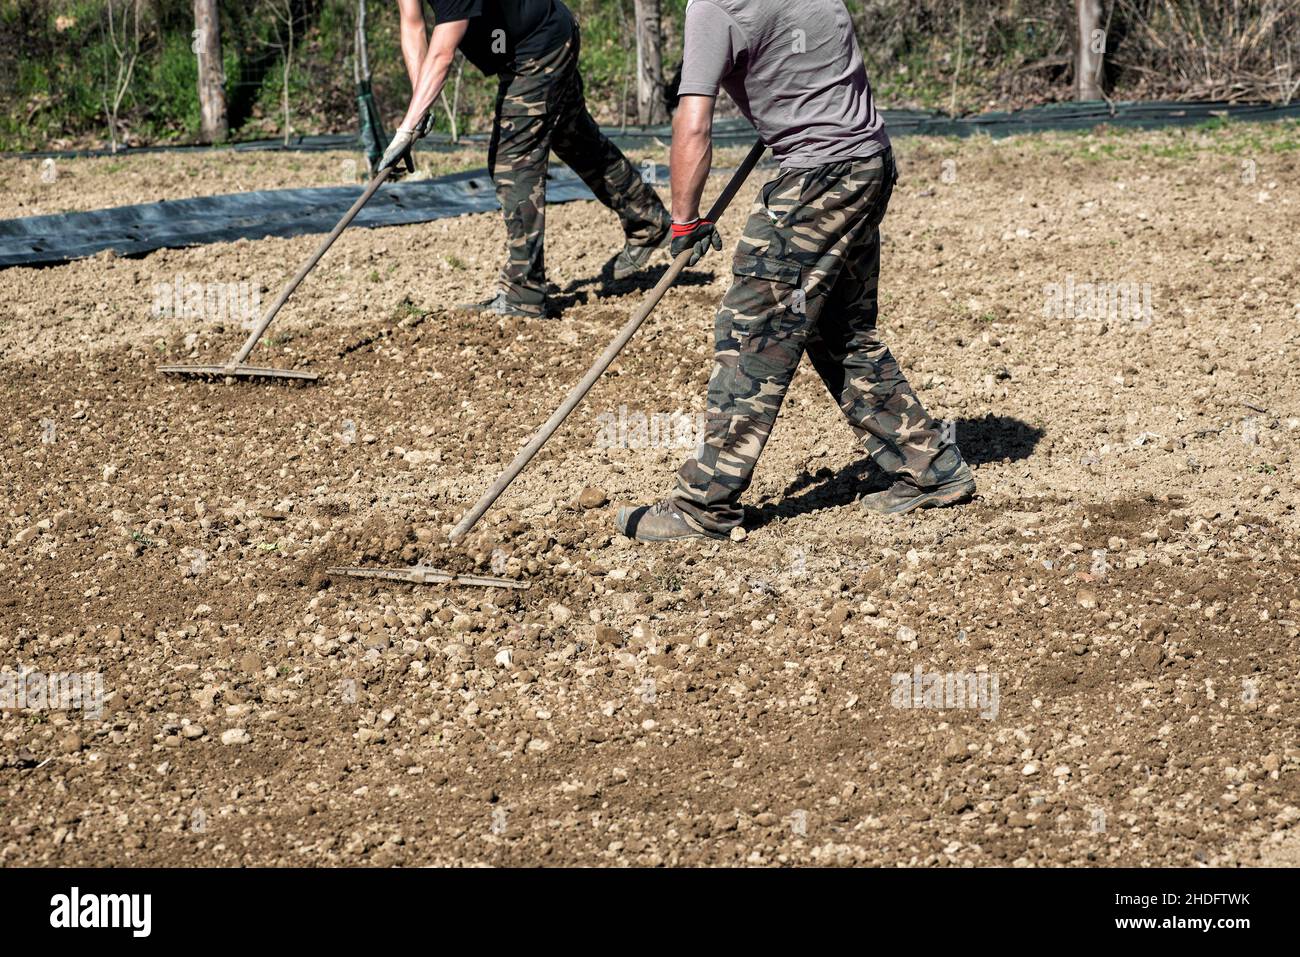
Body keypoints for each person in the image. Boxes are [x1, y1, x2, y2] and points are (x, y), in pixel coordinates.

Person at [616, 0, 975, 542]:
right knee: (838, 329)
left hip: (817, 179)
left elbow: (692, 124)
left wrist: (684, 223)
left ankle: (703, 506)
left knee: (751, 332)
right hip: (868, 161)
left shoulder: (711, 8)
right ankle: (930, 467)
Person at [382, 0, 671, 318]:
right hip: (538, 40)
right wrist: (417, 106)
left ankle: (524, 293)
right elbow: (412, 24)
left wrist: (408, 127)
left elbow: (441, 54)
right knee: (575, 139)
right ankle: (648, 221)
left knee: (514, 163)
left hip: (540, 45)